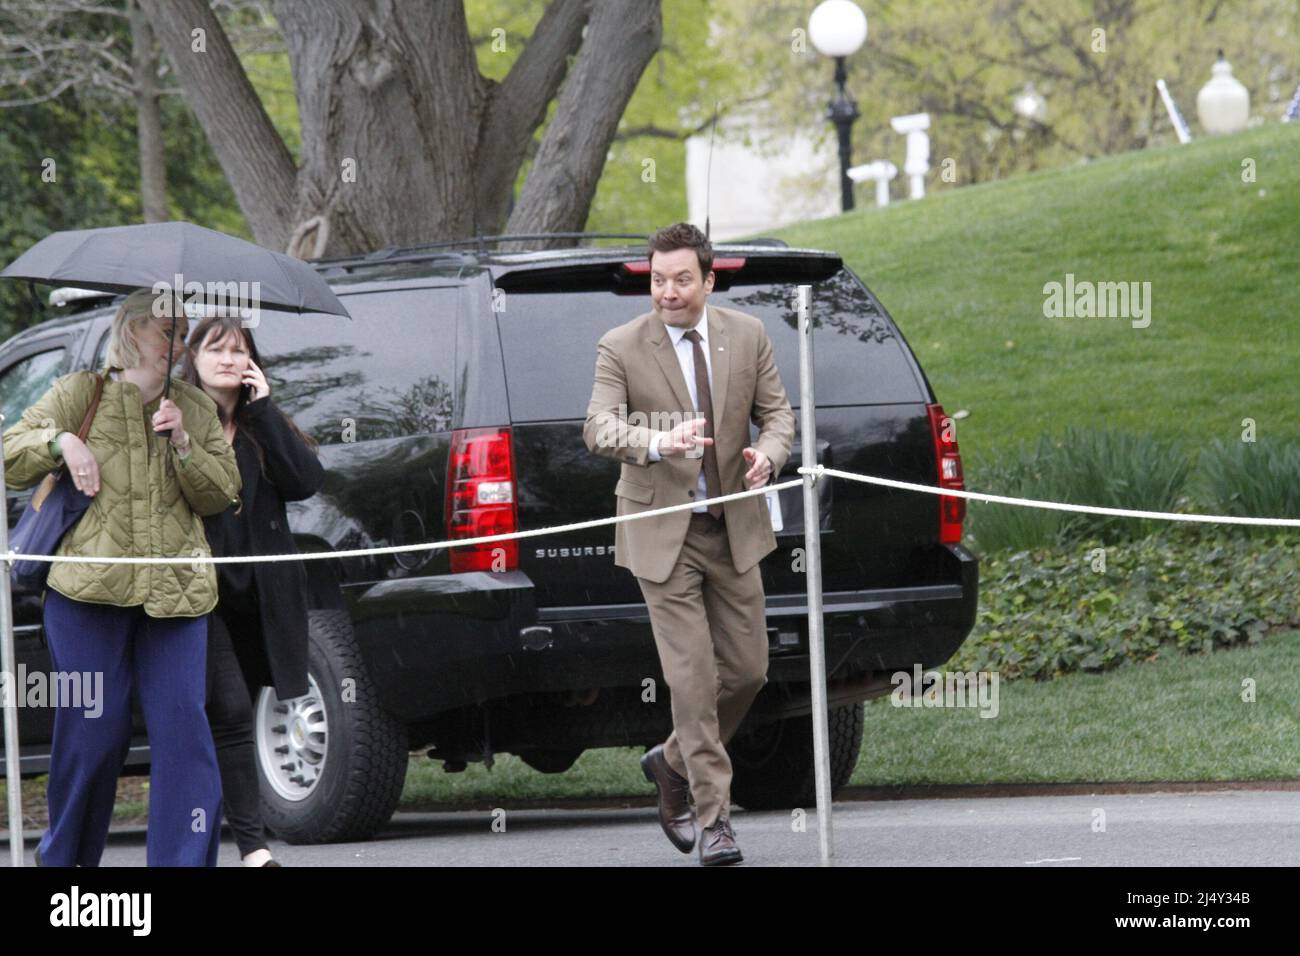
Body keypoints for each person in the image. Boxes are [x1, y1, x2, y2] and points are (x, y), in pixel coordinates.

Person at [4, 288, 241, 866]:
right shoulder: (79, 393)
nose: (179, 345)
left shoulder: (195, 407)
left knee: (185, 737)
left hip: (177, 598)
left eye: (183, 333)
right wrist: (61, 442)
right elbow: (10, 452)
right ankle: (66, 872)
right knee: (93, 735)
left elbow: (223, 494)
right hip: (87, 595)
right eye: (169, 332)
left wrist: (183, 443)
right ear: (133, 331)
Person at [583, 222, 795, 865]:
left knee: (750, 669)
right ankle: (715, 822)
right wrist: (653, 444)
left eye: (681, 279)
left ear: (708, 279)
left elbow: (779, 416)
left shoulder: (748, 335)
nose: (667, 292)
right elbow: (597, 427)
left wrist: (770, 455)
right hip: (660, 537)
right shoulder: (620, 346)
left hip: (735, 528)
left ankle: (671, 761)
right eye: (657, 280)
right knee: (694, 679)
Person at [178, 314, 323, 868]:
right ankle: (253, 849)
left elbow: (306, 481)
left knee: (239, 711)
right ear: (193, 358)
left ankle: (236, 839)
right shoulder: (176, 420)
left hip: (260, 593)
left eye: (240, 351)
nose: (230, 360)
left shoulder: (264, 423)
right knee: (232, 710)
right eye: (216, 349)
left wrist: (263, 411)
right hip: (201, 592)